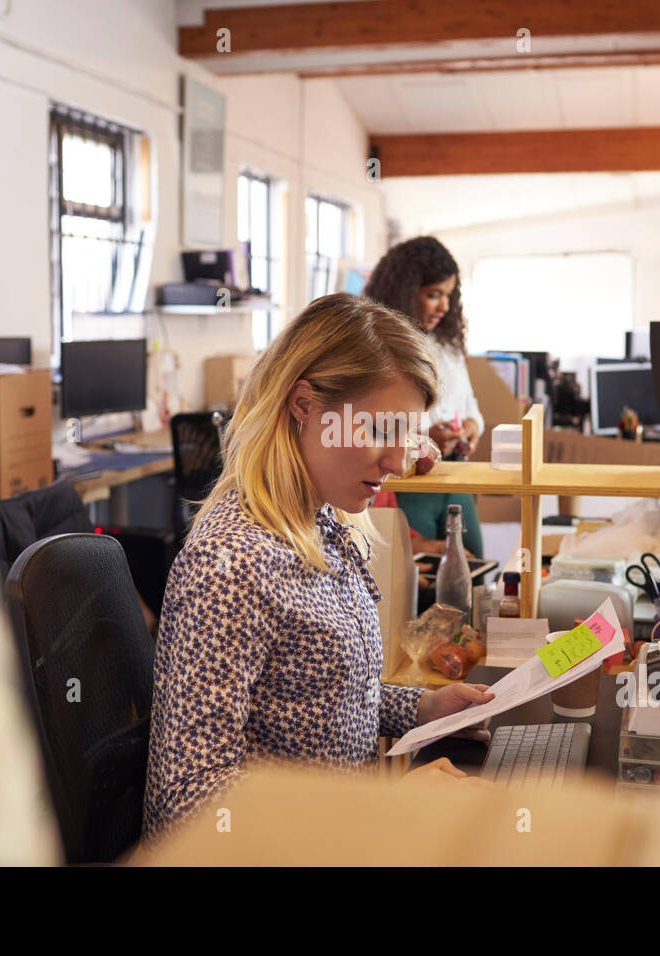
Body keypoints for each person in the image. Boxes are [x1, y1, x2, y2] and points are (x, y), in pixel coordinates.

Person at [142, 293, 495, 839]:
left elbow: (322, 702)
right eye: (380, 431)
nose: (399, 461)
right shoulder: (232, 565)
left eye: (405, 435)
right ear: (303, 406)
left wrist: (425, 708)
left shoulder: (320, 521)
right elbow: (188, 802)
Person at [364, 236, 485, 558]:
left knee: (474, 569)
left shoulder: (448, 345)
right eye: (434, 295)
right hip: (407, 483)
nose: (444, 307)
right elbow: (369, 426)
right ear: (404, 291)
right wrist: (422, 438)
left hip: (454, 477)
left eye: (448, 295)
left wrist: (471, 429)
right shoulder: (377, 346)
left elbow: (473, 409)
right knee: (421, 579)